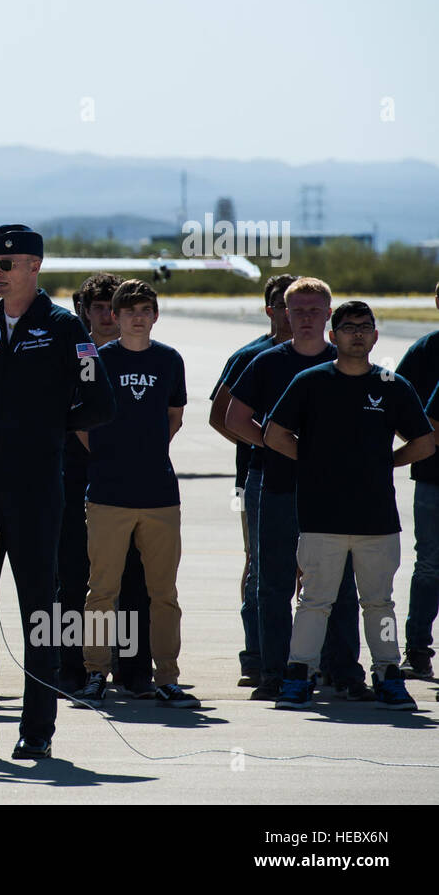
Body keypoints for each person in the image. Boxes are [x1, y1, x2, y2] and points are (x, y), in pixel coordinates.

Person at [0, 224, 115, 760]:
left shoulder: (64, 329)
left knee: (39, 610)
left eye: (7, 265)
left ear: (34, 266)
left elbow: (100, 403)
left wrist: (50, 427)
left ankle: (37, 730)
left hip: (36, 484)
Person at [265, 301, 433, 710]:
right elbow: (274, 433)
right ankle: (298, 676)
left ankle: (389, 675)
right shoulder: (311, 381)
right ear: (333, 335)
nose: (357, 333)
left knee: (380, 604)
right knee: (314, 602)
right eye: (347, 327)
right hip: (322, 516)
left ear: (376, 336)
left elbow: (424, 441)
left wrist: (385, 462)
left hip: (377, 519)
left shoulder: (393, 385)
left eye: (365, 327)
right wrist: (310, 460)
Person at [226, 277, 369, 700]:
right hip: (277, 487)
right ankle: (274, 672)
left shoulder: (347, 361)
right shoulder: (267, 362)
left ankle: (342, 670)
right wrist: (279, 446)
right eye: (298, 310)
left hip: (334, 495)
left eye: (314, 310)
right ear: (283, 314)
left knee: (339, 584)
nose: (306, 318)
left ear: (329, 315)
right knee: (273, 582)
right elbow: (234, 418)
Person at [73, 280, 198, 708]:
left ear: (155, 315)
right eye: (129, 311)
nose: (137, 317)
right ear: (115, 316)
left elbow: (174, 416)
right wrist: (111, 457)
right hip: (108, 494)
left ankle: (167, 676)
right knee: (101, 591)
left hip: (160, 494)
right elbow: (80, 424)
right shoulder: (95, 359)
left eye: (146, 309)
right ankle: (94, 672)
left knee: (163, 593)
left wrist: (147, 454)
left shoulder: (169, 360)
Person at [59, 275, 152, 696]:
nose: (103, 313)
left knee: (134, 577)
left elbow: (168, 417)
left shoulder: (146, 357)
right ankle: (72, 666)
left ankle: (132, 669)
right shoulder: (77, 355)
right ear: (85, 309)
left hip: (133, 482)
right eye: (95, 305)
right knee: (75, 575)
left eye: (108, 305)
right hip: (79, 479)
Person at [208, 273, 295, 685]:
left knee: (314, 568)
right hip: (256, 478)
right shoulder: (250, 356)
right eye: (282, 305)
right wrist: (261, 443)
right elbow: (219, 416)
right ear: (270, 309)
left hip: (314, 481)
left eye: (296, 305)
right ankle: (256, 655)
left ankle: (306, 657)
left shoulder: (324, 354)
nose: (290, 313)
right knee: (260, 566)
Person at [392, 281, 439, 679]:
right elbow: (396, 401)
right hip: (432, 478)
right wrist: (420, 442)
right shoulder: (425, 349)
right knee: (429, 566)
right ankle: (418, 648)